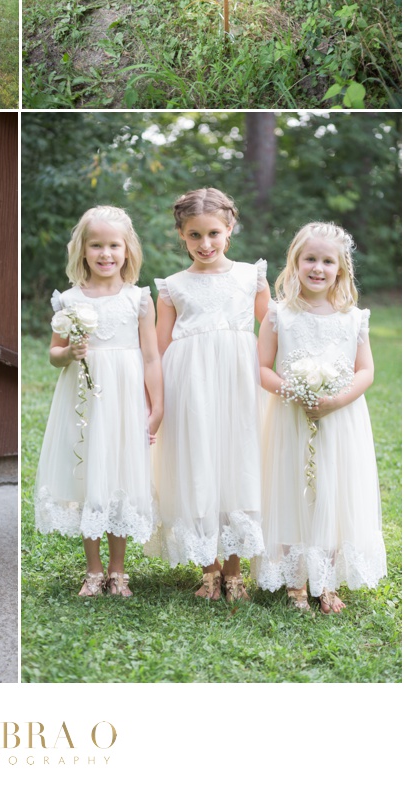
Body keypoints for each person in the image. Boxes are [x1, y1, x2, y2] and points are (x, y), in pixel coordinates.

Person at [251, 222, 386, 612]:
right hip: (291, 419)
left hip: (339, 420)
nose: (318, 268)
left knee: (332, 489)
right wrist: (293, 390)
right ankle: (295, 581)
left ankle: (324, 580)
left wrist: (336, 400)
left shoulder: (353, 317)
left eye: (328, 261)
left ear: (341, 269)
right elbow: (261, 368)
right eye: (310, 258)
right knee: (293, 488)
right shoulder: (279, 314)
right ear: (295, 263)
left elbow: (366, 371)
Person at [144, 187, 269, 602]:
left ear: (230, 228)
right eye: (194, 235)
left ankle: (234, 572)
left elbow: (272, 332)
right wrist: (153, 398)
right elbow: (159, 349)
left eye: (213, 233)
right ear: (181, 235)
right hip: (190, 383)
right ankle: (209, 569)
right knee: (198, 464)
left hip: (240, 380)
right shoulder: (173, 286)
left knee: (238, 463)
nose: (205, 244)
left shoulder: (251, 275)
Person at [34, 205, 163, 597]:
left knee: (121, 475)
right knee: (88, 472)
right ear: (83, 250)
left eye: (113, 245)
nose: (105, 254)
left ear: (128, 250)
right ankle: (93, 569)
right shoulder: (69, 299)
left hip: (124, 399)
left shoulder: (138, 299)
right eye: (96, 246)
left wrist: (156, 407)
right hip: (83, 399)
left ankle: (118, 570)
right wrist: (70, 352)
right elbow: (53, 354)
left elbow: (152, 356)